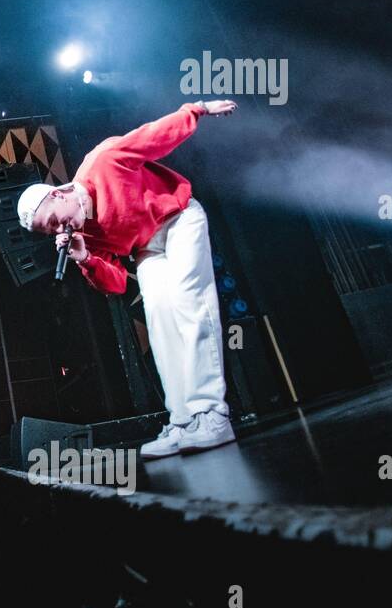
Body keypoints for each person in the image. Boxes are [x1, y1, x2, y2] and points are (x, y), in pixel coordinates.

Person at [16, 99, 239, 460]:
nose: (61, 228)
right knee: (161, 323)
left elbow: (152, 137)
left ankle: (212, 414)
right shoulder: (84, 234)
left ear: (58, 193)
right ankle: (182, 421)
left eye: (56, 219)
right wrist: (85, 258)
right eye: (51, 231)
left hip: (179, 218)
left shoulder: (101, 163)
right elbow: (117, 284)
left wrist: (195, 110)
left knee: (189, 302)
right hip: (147, 250)